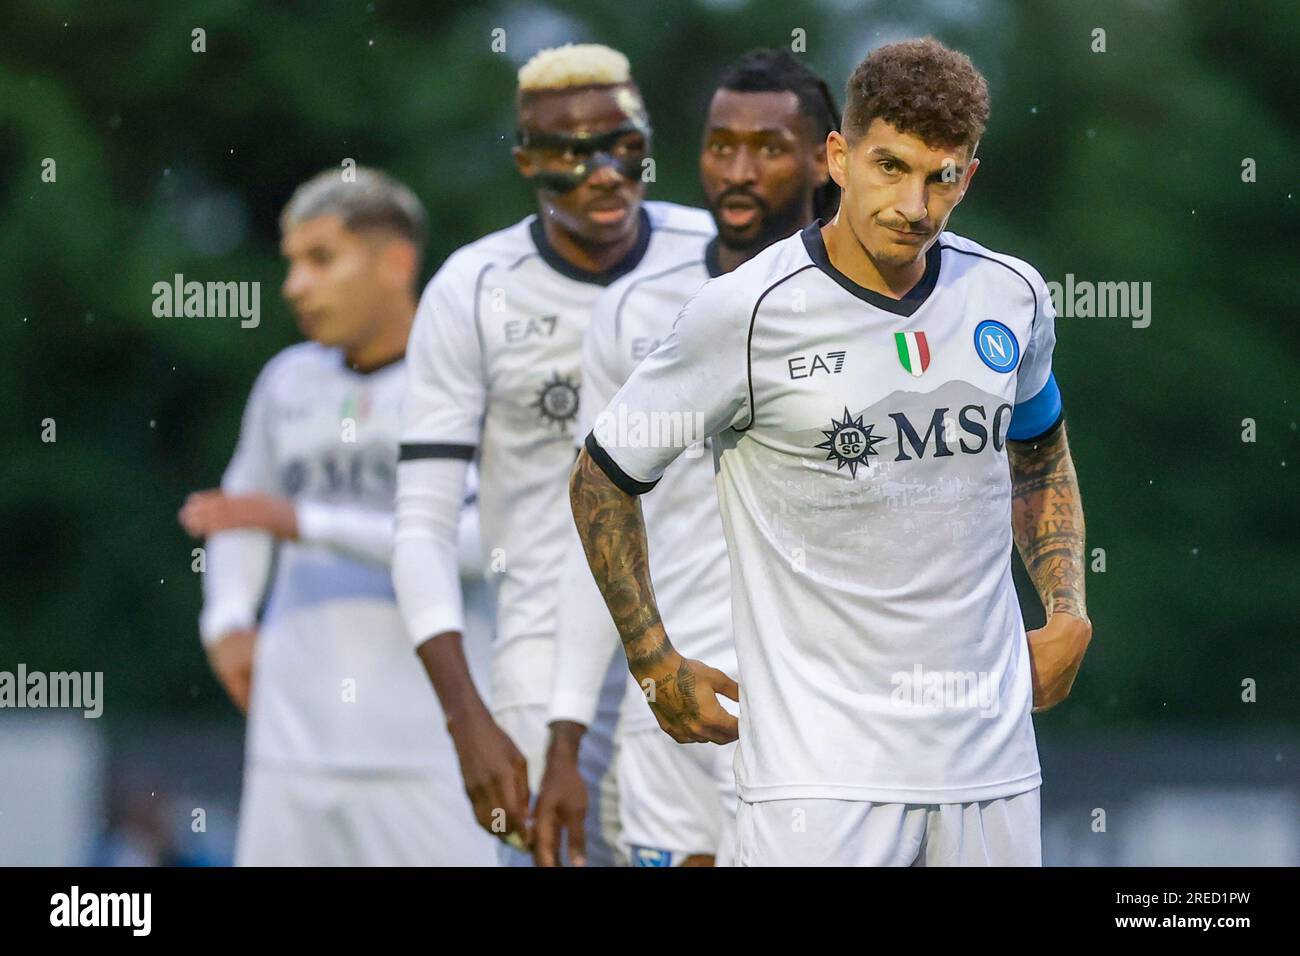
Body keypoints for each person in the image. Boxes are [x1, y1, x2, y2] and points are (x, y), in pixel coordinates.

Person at [569, 37, 1092, 866]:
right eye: (891, 167)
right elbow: (601, 476)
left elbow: (1039, 453)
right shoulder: (743, 314)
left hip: (991, 765)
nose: (914, 204)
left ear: (969, 178)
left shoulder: (1012, 294)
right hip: (816, 778)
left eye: (941, 175)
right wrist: (653, 661)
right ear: (839, 159)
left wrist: (1066, 608)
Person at [392, 43, 714, 865]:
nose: (605, 172)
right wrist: (467, 721)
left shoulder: (714, 257)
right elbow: (423, 526)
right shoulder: (470, 287)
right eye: (572, 153)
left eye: (624, 145)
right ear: (526, 160)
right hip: (539, 661)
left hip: (700, 642)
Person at [534, 48, 839, 868]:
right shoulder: (637, 309)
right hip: (670, 699)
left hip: (807, 705)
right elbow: (594, 517)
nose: (738, 171)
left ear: (824, 157)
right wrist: (565, 738)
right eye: (719, 144)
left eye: (768, 148)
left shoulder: (864, 309)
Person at [181, 168, 496, 866]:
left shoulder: (463, 381)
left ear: (395, 263)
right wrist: (227, 619)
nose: (295, 285)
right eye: (292, 262)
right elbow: (240, 509)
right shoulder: (287, 381)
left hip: (426, 748)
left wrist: (308, 522)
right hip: (290, 745)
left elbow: (479, 544)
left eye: (320, 259)